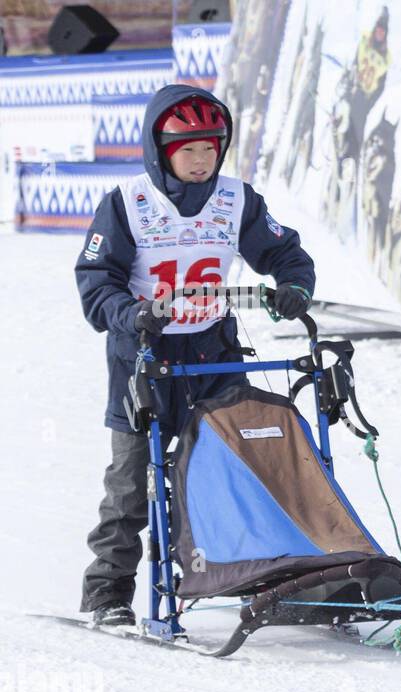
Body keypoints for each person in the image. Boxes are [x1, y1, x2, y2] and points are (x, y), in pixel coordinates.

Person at [75, 85, 316, 627]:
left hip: (214, 350)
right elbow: (96, 282)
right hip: (144, 358)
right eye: (190, 150)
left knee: (243, 464)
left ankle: (266, 578)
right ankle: (108, 592)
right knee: (131, 483)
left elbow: (283, 251)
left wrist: (294, 285)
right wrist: (132, 314)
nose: (202, 160)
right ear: (161, 151)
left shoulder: (237, 200)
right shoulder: (127, 202)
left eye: (212, 148)